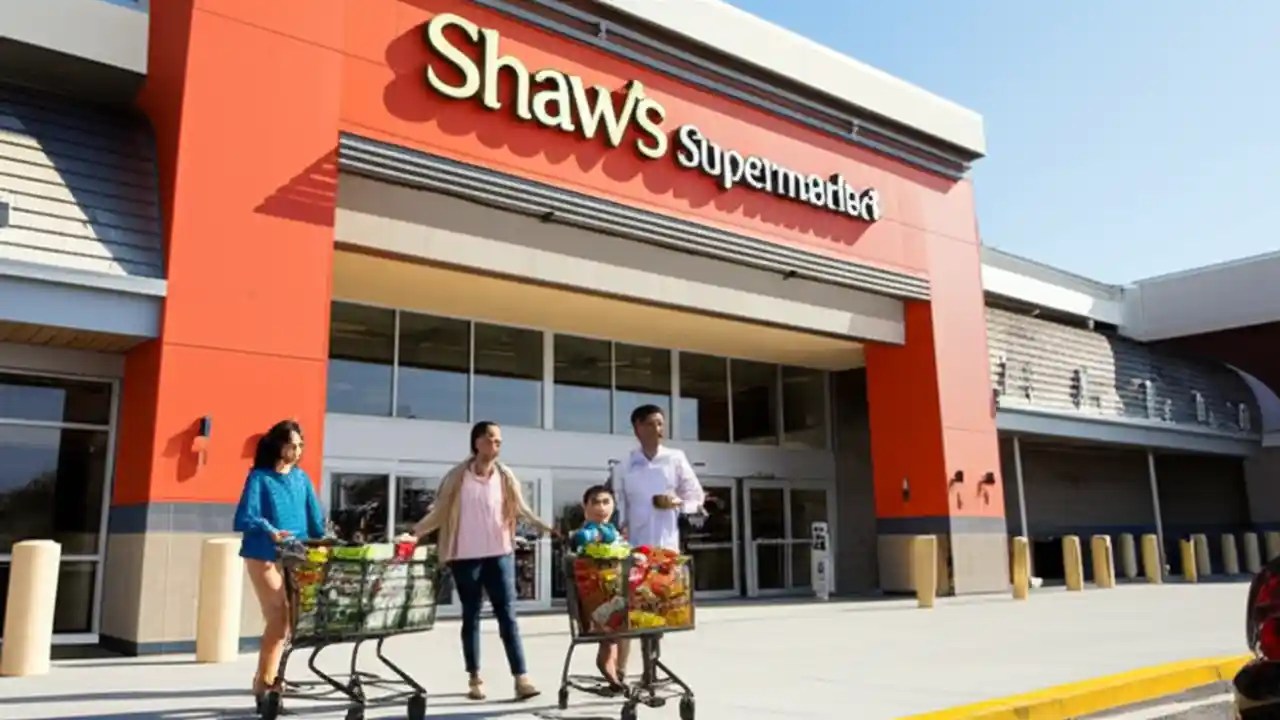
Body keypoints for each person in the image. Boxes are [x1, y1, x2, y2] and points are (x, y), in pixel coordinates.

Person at [402, 421, 555, 702]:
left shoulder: (505, 476)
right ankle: (474, 677)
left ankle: (521, 678)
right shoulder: (458, 477)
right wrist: (415, 532)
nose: (496, 445)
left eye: (499, 441)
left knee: (507, 616)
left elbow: (521, 509)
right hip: (465, 557)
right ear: (476, 442)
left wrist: (546, 528)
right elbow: (440, 512)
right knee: (471, 616)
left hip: (500, 554)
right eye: (491, 439)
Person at [233, 419, 326, 710]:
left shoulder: (301, 479)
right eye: (291, 445)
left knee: (290, 622)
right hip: (263, 553)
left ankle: (270, 678)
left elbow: (315, 521)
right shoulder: (259, 478)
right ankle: (265, 685)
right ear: (278, 445)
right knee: (279, 619)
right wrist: (270, 529)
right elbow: (244, 517)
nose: (297, 451)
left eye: (300, 446)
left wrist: (326, 542)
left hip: (295, 556)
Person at [609, 404, 705, 682]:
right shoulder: (625, 465)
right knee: (636, 610)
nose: (658, 430)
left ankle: (651, 668)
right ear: (637, 428)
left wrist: (678, 504)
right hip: (634, 551)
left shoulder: (675, 458)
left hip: (666, 550)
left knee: (659, 612)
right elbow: (618, 505)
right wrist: (618, 532)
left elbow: (696, 497)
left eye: (661, 424)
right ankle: (631, 670)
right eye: (651, 424)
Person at [570, 485, 627, 690]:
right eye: (595, 502)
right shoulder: (588, 532)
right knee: (610, 631)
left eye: (606, 502)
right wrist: (591, 537)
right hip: (595, 595)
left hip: (614, 592)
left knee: (616, 633)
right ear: (585, 507)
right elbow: (579, 541)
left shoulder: (613, 531)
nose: (601, 508)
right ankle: (609, 669)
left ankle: (617, 671)